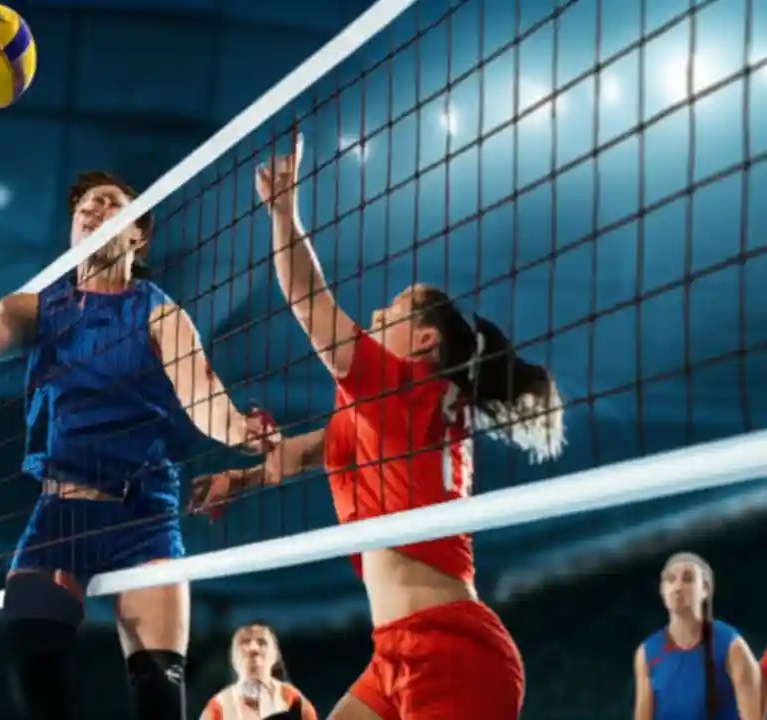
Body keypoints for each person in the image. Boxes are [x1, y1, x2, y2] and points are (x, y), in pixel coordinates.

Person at [191, 139, 567, 720]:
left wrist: (284, 215)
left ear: (423, 341)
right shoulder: (393, 411)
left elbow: (308, 302)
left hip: (450, 652)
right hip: (394, 652)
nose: (372, 318)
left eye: (389, 313)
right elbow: (305, 454)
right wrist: (238, 482)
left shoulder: (402, 388)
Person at [0, 171, 275, 720]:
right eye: (85, 207)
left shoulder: (158, 311)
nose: (93, 209)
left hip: (142, 516)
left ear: (137, 235)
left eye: (110, 204)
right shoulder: (41, 308)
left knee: (161, 701)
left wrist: (240, 429)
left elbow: (203, 394)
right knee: (36, 679)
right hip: (59, 514)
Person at [631, 553, 762, 720]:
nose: (677, 587)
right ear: (662, 590)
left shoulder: (732, 647)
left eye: (688, 579)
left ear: (705, 589)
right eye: (671, 580)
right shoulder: (646, 653)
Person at [201, 621, 317, 720]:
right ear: (233, 658)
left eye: (262, 642)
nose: (253, 649)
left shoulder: (293, 701)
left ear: (274, 656)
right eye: (244, 642)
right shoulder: (218, 707)